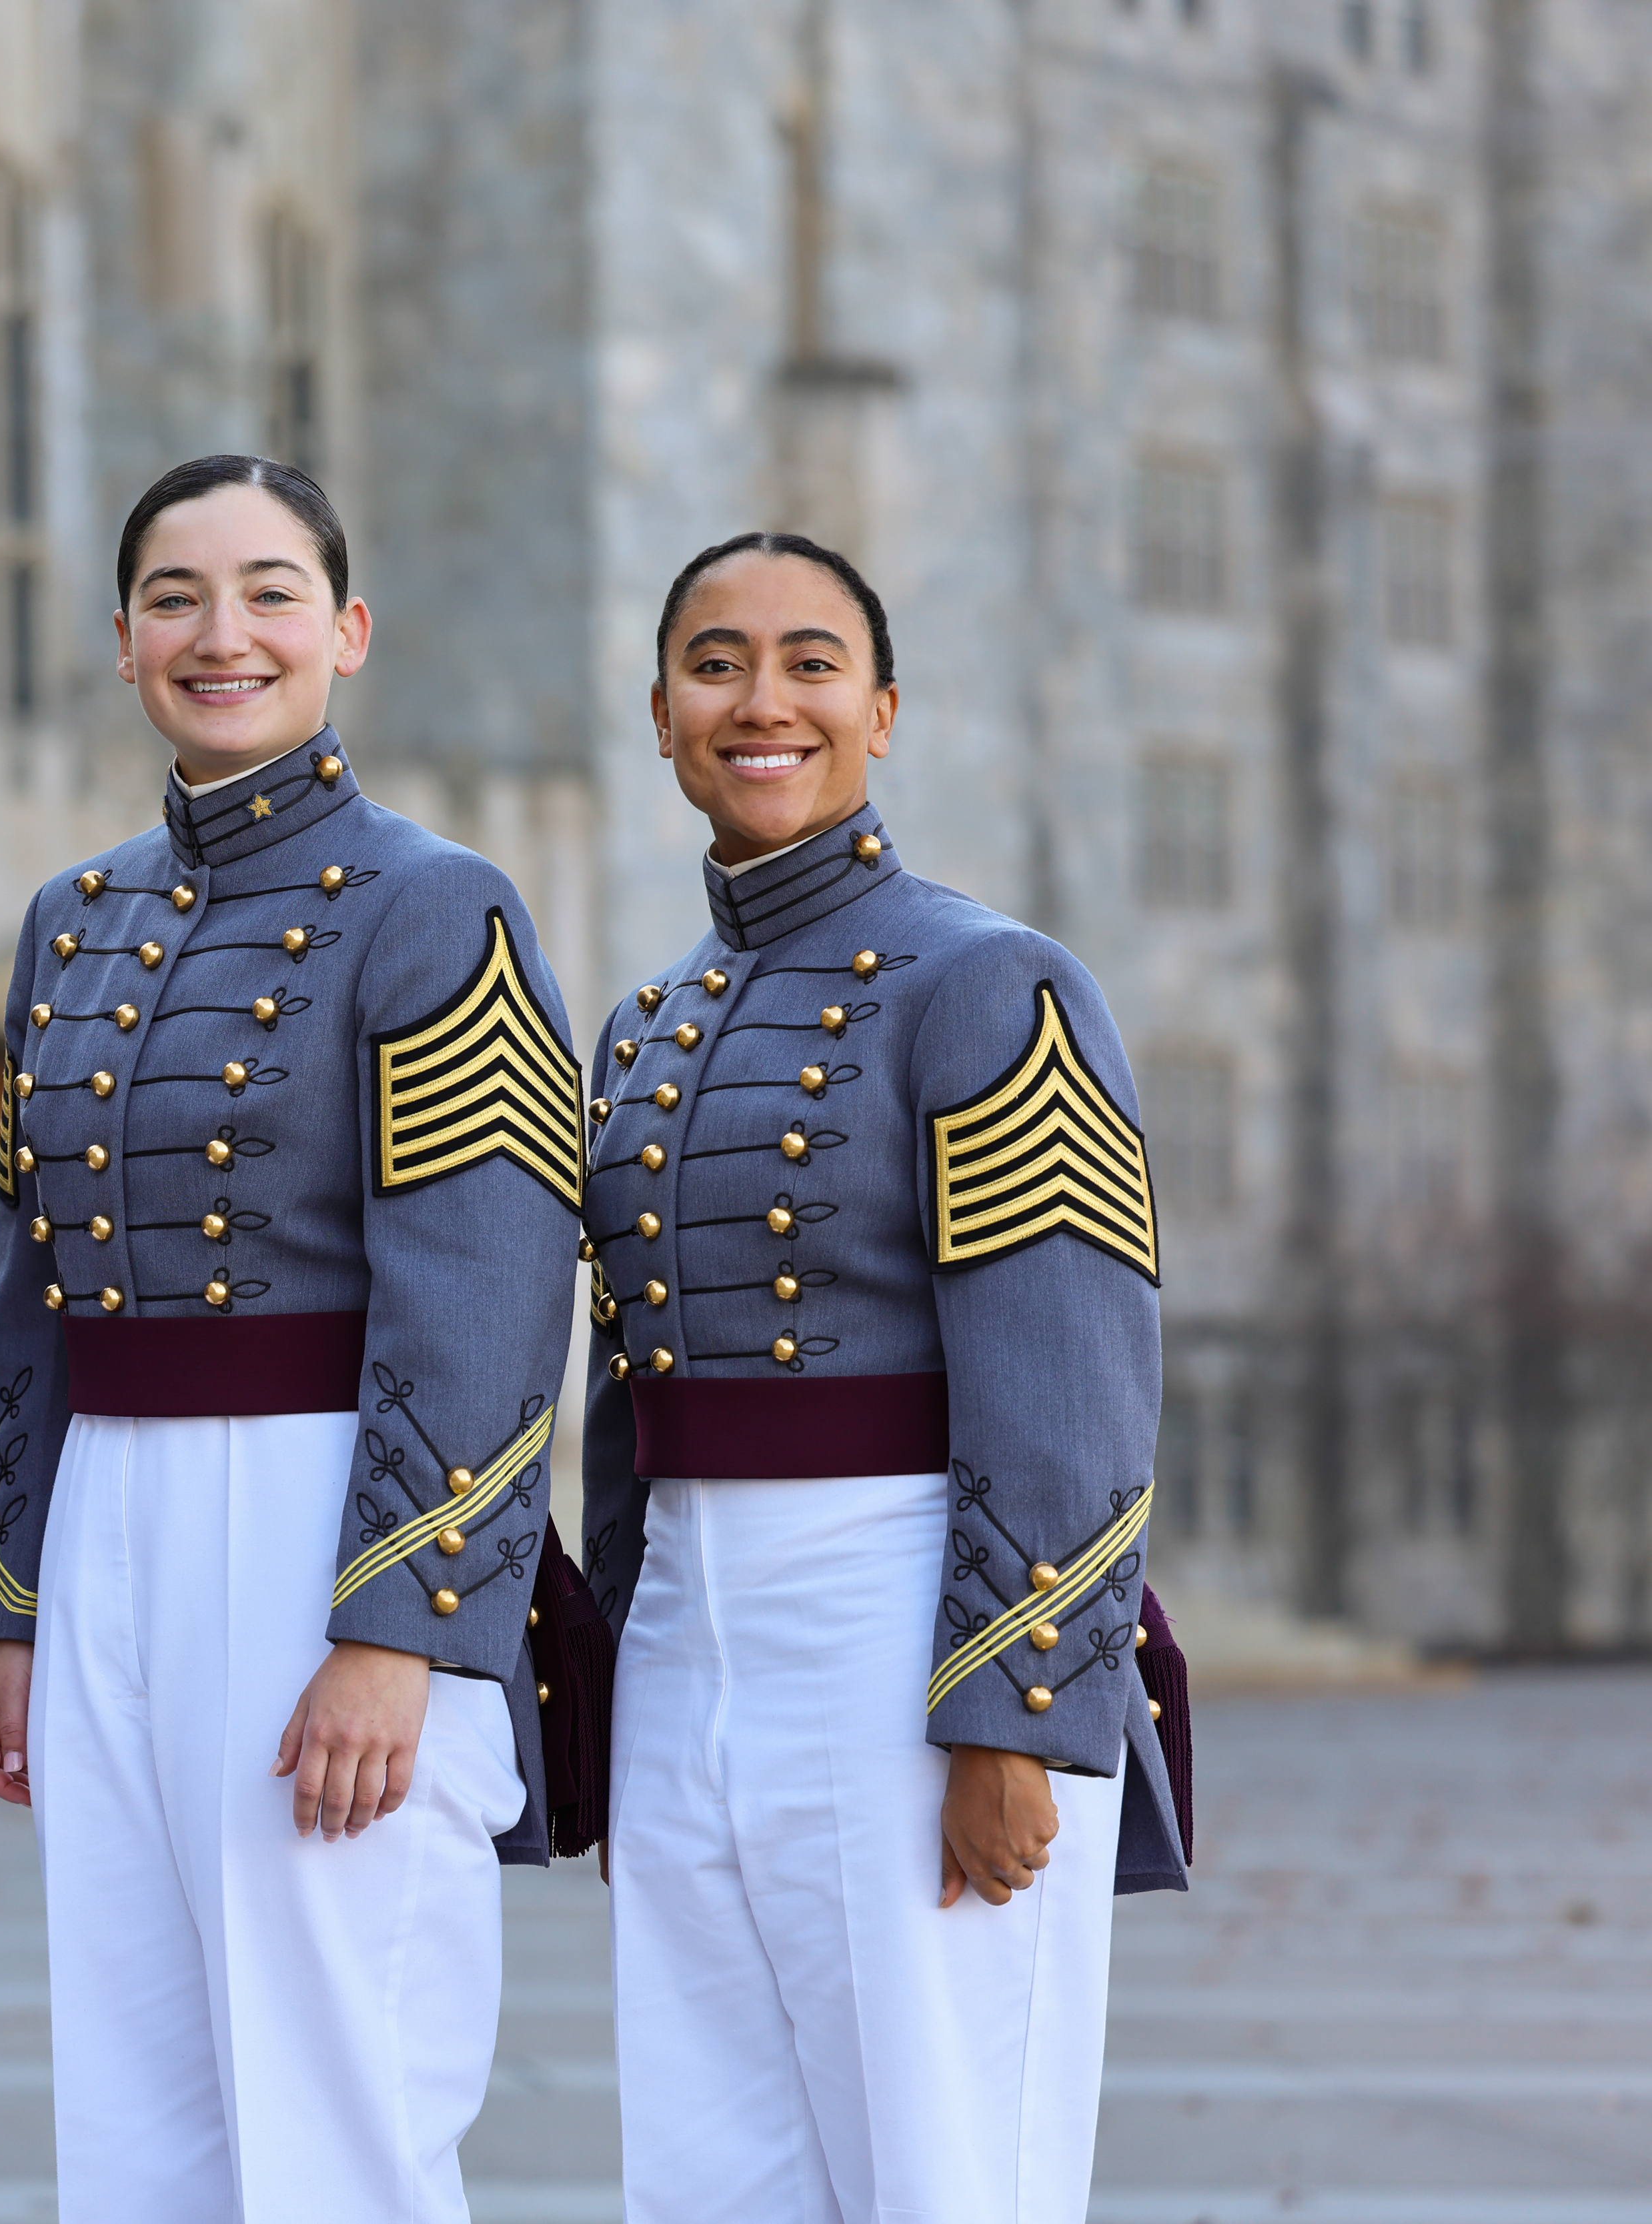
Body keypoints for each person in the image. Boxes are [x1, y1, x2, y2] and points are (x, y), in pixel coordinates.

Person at [0, 455, 588, 2223]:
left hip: (323, 1530)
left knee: (340, 2107)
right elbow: (31, 1302)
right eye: (175, 598)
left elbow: (485, 1297)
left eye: (268, 593)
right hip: (108, 1535)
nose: (219, 634)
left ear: (348, 631)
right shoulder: (70, 924)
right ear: (122, 641)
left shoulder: (438, 907)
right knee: (136, 2114)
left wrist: (402, 1631)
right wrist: (18, 1608)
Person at [582, 531, 1188, 2224]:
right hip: (689, 1641)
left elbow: (1071, 1380)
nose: (760, 702)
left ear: (884, 711)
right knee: (710, 2173)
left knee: (946, 2172)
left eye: (810, 663)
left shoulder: (992, 983)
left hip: (903, 1624)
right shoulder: (647, 1024)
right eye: (715, 664)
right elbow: (628, 1397)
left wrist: (1013, 1715)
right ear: (659, 714)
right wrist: (625, 1684)